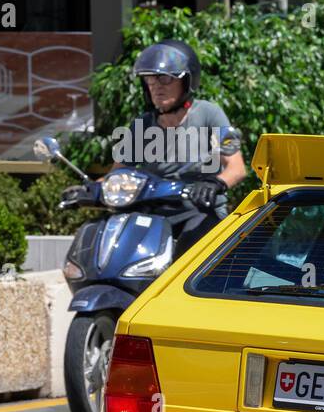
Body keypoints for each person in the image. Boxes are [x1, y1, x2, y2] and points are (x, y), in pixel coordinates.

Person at [63, 39, 248, 254]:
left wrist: (214, 183)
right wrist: (88, 189)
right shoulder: (142, 125)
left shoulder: (209, 114)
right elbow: (118, 174)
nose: (157, 86)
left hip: (199, 212)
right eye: (150, 81)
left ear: (187, 81)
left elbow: (237, 168)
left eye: (165, 79)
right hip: (153, 215)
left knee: (193, 259)